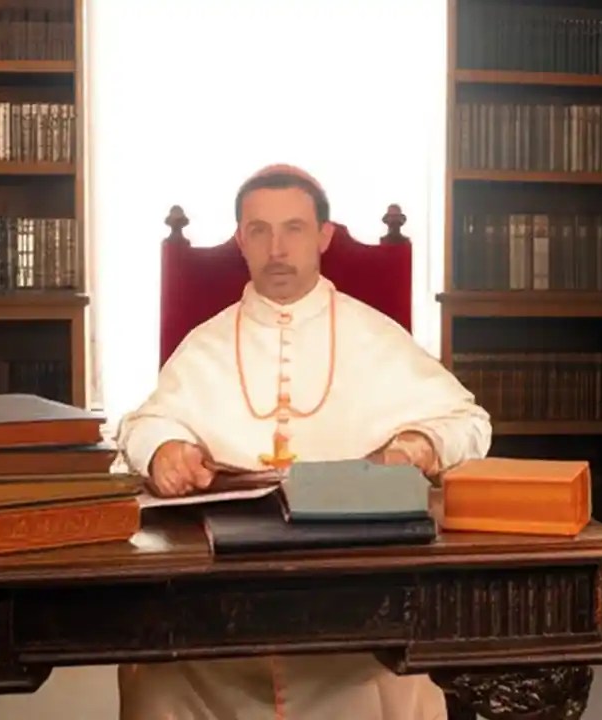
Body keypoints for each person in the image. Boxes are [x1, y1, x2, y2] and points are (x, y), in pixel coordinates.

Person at [113, 164, 492, 720]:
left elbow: (470, 422)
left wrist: (416, 445)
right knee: (157, 681)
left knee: (402, 684)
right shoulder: (208, 341)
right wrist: (163, 449)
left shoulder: (375, 335)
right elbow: (141, 425)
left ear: (323, 236)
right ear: (241, 240)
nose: (277, 248)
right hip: (220, 606)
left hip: (358, 604)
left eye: (293, 228)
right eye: (259, 230)